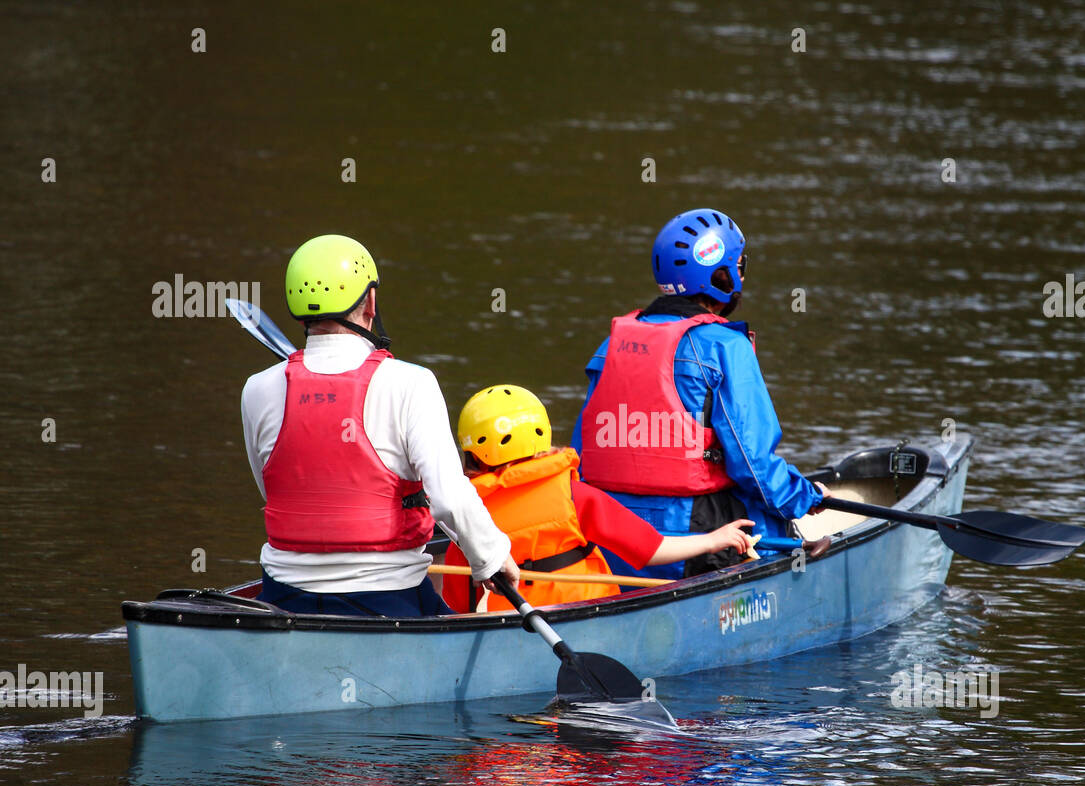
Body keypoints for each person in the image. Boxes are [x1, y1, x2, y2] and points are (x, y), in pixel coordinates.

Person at [240, 234, 519, 616]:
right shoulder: (412, 383)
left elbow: (272, 489)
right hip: (386, 598)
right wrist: (490, 558)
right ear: (371, 301)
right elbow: (450, 499)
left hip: (284, 598)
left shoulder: (257, 389)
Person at [572, 208, 826, 579]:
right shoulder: (725, 346)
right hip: (691, 541)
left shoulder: (613, 344)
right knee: (770, 510)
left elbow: (582, 454)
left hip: (613, 540)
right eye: (739, 265)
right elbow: (754, 467)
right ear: (722, 276)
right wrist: (804, 496)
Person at [441, 384, 753, 612]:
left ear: (473, 453)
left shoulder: (468, 515)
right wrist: (714, 539)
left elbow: (458, 602)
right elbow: (651, 550)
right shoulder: (575, 496)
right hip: (586, 615)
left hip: (507, 623)